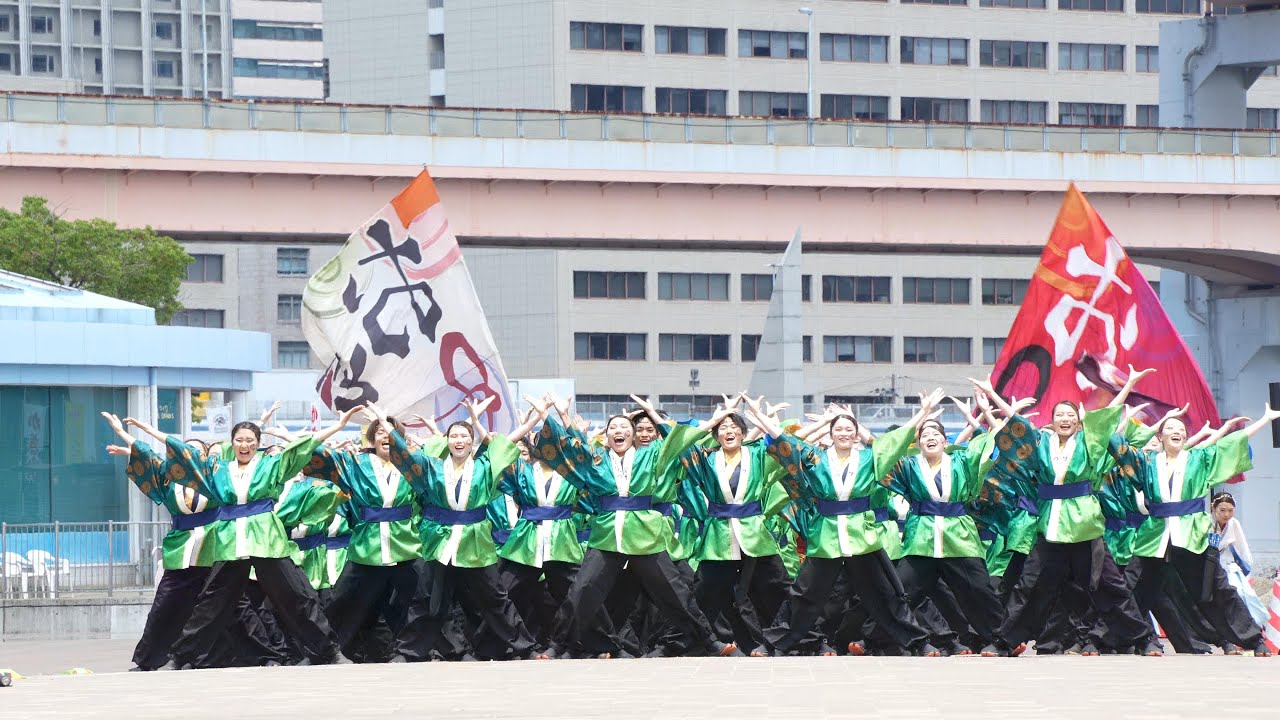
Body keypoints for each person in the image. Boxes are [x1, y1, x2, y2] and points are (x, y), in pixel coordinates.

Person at [129, 405, 363, 670]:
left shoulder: (271, 464)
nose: (244, 445)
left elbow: (302, 448)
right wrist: (150, 432)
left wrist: (339, 425)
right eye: (239, 440)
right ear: (232, 443)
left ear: (258, 444)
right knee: (211, 603)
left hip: (266, 539)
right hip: (231, 542)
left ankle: (328, 651)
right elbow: (185, 454)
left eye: (250, 441)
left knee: (297, 596)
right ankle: (181, 657)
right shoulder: (217, 469)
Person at [972, 369, 1162, 656]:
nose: (1065, 419)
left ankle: (1143, 638)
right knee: (1029, 586)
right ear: (1052, 420)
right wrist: (993, 394)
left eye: (1070, 415)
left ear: (1078, 420)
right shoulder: (1041, 444)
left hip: (1085, 526)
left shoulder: (1089, 442)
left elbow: (1109, 414)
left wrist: (1129, 385)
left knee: (1109, 586)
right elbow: (1017, 425)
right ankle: (1005, 642)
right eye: (1060, 414)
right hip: (1050, 526)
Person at [534, 393, 734, 659]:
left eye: (624, 428)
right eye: (613, 428)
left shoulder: (650, 454)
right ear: (606, 436)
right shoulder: (596, 459)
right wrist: (555, 415)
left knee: (674, 592)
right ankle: (558, 644)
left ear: (633, 436)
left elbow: (678, 440)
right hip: (607, 534)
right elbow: (570, 447)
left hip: (644, 533)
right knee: (582, 590)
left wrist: (712, 420)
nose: (619, 432)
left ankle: (709, 642)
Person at [743, 391, 943, 657]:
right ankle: (775, 643)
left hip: (862, 535)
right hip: (826, 535)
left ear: (857, 433)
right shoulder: (816, 457)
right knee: (804, 593)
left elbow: (898, 439)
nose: (844, 433)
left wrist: (923, 412)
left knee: (886, 592)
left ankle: (918, 642)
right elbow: (785, 442)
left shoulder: (871, 458)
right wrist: (759, 418)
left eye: (850, 429)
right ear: (832, 432)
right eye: (839, 429)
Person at [372, 396, 548, 661]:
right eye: (453, 436)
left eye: (464, 436)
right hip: (440, 540)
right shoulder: (432, 467)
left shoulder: (485, 467)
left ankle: (526, 647)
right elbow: (406, 457)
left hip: (474, 541)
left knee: (495, 598)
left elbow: (507, 442)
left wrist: (534, 419)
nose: (459, 441)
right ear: (447, 442)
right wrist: (387, 427)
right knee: (428, 599)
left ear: (471, 442)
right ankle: (409, 651)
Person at [1112, 402, 1280, 657]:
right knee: (1132, 587)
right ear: (1161, 436)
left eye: (1180, 428)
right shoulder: (1147, 462)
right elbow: (1117, 444)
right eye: (1170, 428)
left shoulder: (1198, 459)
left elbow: (1230, 444)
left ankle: (1252, 639)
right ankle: (1140, 640)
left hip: (1190, 533)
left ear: (1186, 437)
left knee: (1216, 588)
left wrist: (1265, 419)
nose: (1175, 431)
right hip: (1154, 534)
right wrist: (1121, 413)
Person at [302, 414, 432, 662]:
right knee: (342, 602)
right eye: (380, 432)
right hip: (366, 546)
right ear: (371, 439)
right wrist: (338, 426)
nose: (385, 436)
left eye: (390, 432)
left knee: (422, 596)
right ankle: (325, 652)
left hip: (405, 544)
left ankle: (416, 651)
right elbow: (314, 455)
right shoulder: (354, 464)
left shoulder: (415, 465)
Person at [885, 398, 1007, 656]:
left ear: (945, 440)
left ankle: (1001, 639)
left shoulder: (962, 461)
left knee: (979, 589)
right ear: (917, 444)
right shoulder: (908, 466)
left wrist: (986, 412)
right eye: (924, 435)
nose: (930, 437)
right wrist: (921, 414)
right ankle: (877, 639)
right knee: (902, 590)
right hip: (921, 538)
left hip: (959, 536)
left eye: (935, 434)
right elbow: (884, 454)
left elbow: (988, 446)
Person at [103, 414, 221, 671]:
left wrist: (148, 429)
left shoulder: (213, 476)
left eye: (196, 451)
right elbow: (144, 454)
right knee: (164, 604)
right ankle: (149, 659)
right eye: (186, 449)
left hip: (213, 545)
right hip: (181, 547)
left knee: (215, 607)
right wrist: (122, 434)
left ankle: (207, 657)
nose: (188, 454)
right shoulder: (169, 477)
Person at [676, 397, 791, 657]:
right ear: (716, 435)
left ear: (742, 432)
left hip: (755, 533)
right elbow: (682, 443)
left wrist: (763, 417)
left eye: (733, 426)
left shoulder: (758, 454)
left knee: (776, 586)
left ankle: (786, 640)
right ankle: (698, 643)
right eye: (722, 428)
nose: (728, 431)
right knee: (705, 591)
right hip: (718, 535)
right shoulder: (706, 460)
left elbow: (787, 445)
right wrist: (715, 418)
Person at [1210, 492, 1269, 628]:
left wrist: (1246, 567)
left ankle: (1253, 625)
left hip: (1229, 567)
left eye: (1230, 511)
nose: (1226, 515)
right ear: (1214, 509)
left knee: (1245, 594)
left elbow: (1242, 547)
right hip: (1211, 567)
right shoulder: (1207, 523)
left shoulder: (1233, 524)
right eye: (1222, 510)